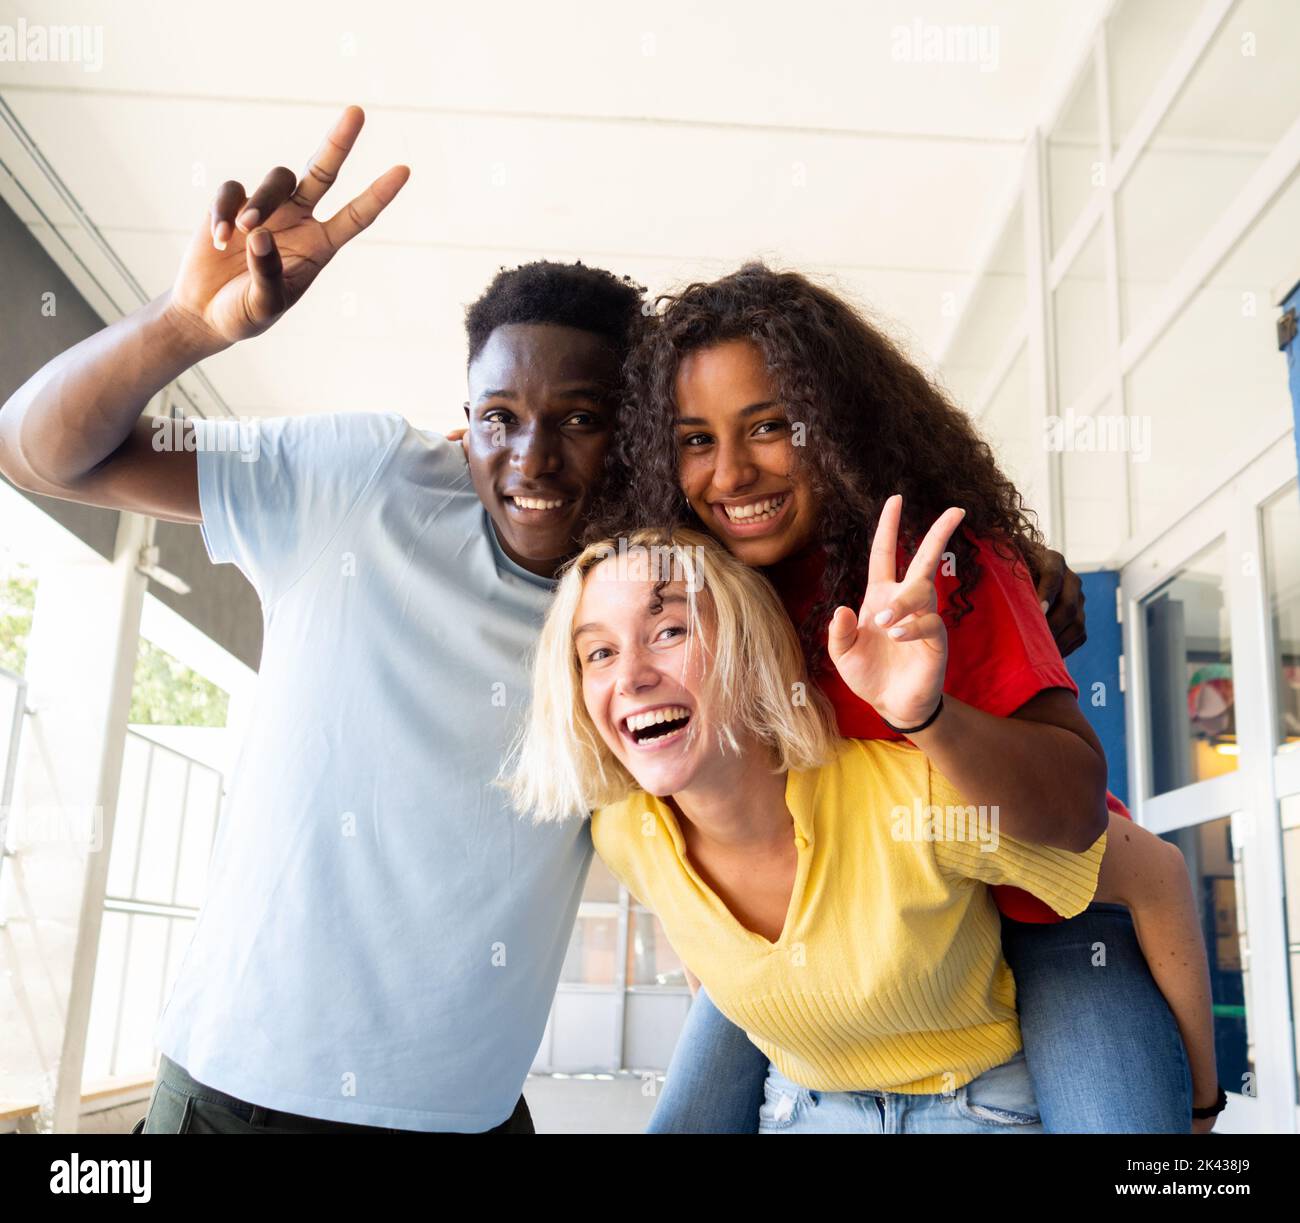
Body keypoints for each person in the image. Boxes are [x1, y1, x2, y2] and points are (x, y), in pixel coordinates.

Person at [0, 106, 647, 1132]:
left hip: (465, 1114)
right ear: (464, 415)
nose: (530, 461)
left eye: (580, 418)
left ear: (639, 428)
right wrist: (180, 327)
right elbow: (34, 451)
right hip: (230, 1092)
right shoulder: (364, 482)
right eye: (498, 418)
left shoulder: (657, 608)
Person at [587, 262, 1221, 1132]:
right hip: (855, 930)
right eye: (695, 438)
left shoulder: (939, 570)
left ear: (836, 424)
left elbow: (1078, 818)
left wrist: (923, 713)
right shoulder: (704, 595)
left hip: (1040, 912)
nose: (730, 473)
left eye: (768, 426)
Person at [504, 523, 1219, 1133]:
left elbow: (1155, 873)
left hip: (975, 1106)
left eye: (668, 631)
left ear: (750, 653)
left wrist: (1201, 1101)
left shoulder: (911, 799)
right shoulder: (627, 831)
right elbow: (703, 947)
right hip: (802, 1107)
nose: (628, 676)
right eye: (597, 651)